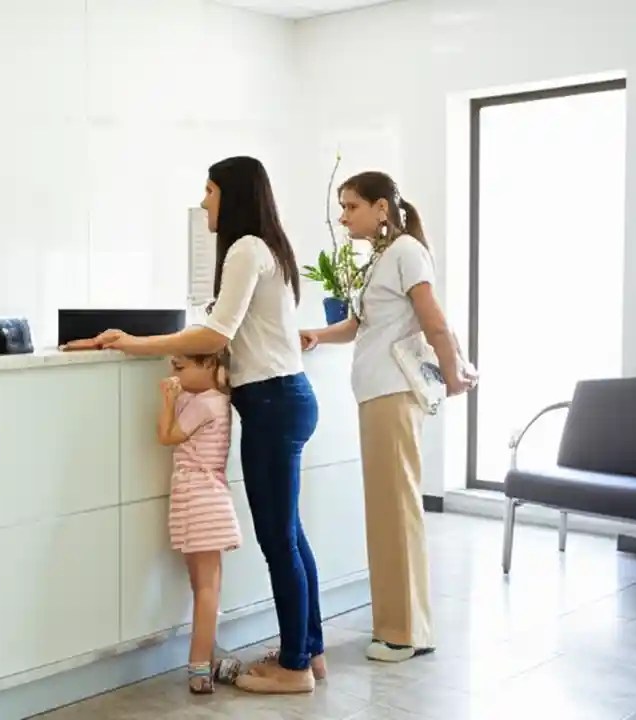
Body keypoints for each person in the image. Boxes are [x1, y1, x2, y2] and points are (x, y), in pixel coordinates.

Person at [65, 156, 325, 694]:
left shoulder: (245, 248)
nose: (204, 201)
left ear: (232, 195)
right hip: (286, 398)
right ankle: (310, 651)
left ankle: (295, 668)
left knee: (279, 540)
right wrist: (118, 339)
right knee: (291, 536)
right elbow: (224, 333)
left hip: (274, 402)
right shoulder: (267, 248)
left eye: (209, 191)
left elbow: (214, 334)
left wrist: (136, 343)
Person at [298, 171, 475, 663]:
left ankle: (403, 634)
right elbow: (361, 325)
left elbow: (432, 317)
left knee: (395, 512)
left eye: (350, 206)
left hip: (393, 393)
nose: (342, 216)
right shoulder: (383, 258)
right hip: (377, 393)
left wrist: (453, 369)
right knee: (387, 512)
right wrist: (316, 333)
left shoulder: (405, 253)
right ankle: (403, 626)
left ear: (381, 208)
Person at [158, 352, 242, 694]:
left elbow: (166, 435)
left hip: (198, 495)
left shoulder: (203, 404)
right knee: (208, 585)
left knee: (204, 586)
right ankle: (206, 658)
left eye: (180, 367)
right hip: (210, 494)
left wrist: (167, 398)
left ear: (208, 365)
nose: (174, 373)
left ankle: (198, 668)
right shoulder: (218, 399)